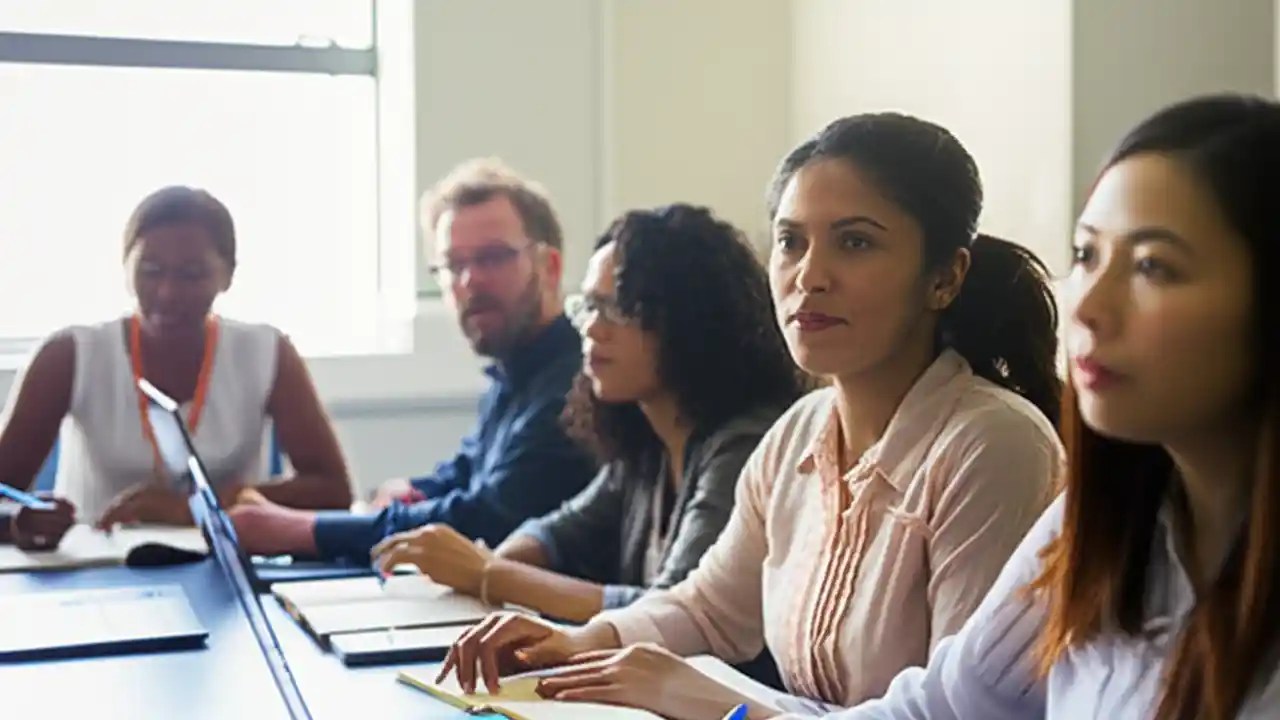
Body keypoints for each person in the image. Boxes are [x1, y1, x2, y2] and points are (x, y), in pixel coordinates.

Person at [437, 112, 1066, 717]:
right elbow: (709, 607)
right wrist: (580, 642)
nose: (809, 275)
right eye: (790, 242)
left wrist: (718, 704)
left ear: (944, 278)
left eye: (855, 242)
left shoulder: (993, 444)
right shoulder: (799, 431)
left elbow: (953, 714)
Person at [708, 94, 1280, 720]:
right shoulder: (1098, 524)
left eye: (1153, 266)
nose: (1088, 307)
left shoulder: (996, 440)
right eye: (1086, 256)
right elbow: (945, 704)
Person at [370, 204, 804, 624]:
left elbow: (676, 614)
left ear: (690, 320)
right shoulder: (647, 441)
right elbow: (555, 535)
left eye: (619, 308)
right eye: (591, 306)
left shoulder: (744, 446)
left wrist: (487, 574)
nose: (593, 328)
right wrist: (486, 568)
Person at [229, 158, 598, 561]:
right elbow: (465, 473)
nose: (470, 280)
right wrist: (412, 490)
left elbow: (485, 519)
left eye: (492, 257)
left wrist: (301, 530)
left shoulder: (575, 385)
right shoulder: (515, 371)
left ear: (549, 267)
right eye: (454, 264)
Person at [0, 186, 352, 544]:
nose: (167, 292)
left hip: (223, 564)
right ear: (126, 269)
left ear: (228, 275)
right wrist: (18, 522)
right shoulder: (69, 355)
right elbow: (3, 493)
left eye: (191, 275)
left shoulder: (265, 352)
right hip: (94, 566)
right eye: (151, 271)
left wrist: (193, 509)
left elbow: (334, 491)